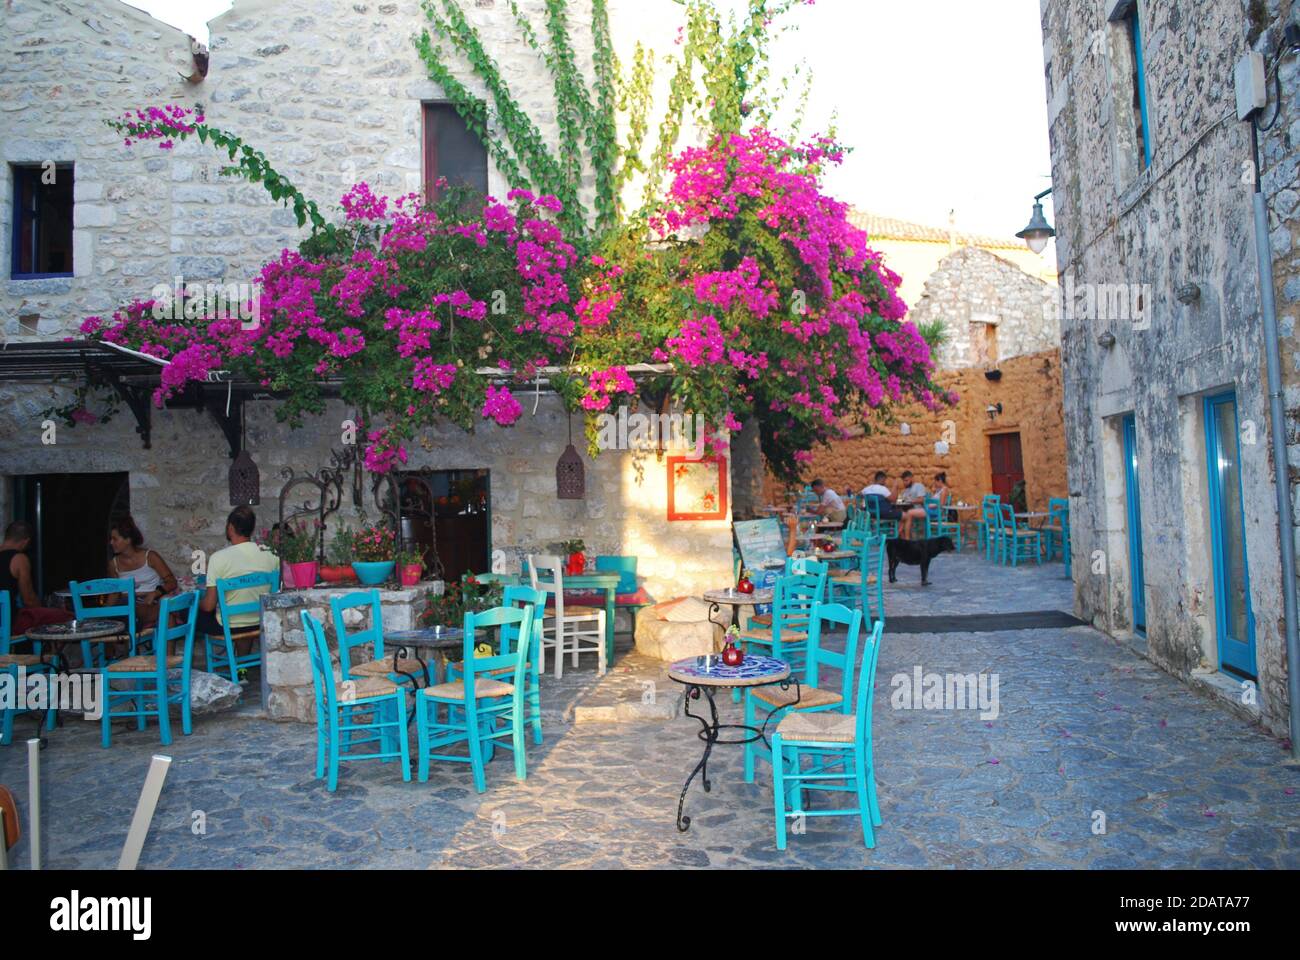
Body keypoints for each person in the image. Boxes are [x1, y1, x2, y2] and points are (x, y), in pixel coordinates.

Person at [197, 507, 279, 659]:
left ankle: (179, 668)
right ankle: (241, 671)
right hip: (259, 620)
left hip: (229, 625)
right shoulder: (271, 554)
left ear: (230, 527)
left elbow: (208, 605)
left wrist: (195, 602)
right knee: (240, 616)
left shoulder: (218, 558)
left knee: (187, 613)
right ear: (251, 529)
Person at [0, 520, 73, 635]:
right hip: (9, 622)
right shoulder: (19, 559)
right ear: (26, 542)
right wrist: (43, 609)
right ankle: (52, 652)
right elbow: (28, 600)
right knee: (66, 616)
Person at [108, 515, 178, 631]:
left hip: (148, 602)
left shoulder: (150, 556)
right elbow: (114, 593)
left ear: (128, 540)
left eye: (115, 539)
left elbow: (171, 582)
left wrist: (155, 593)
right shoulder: (113, 564)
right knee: (120, 610)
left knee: (133, 609)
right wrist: (106, 610)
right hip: (125, 604)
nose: (111, 542)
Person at [898, 471, 929, 539]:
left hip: (919, 509)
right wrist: (900, 500)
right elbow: (902, 500)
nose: (905, 482)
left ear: (912, 478)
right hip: (909, 509)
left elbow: (921, 500)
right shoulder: (906, 490)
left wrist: (911, 501)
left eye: (906, 480)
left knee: (907, 513)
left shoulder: (918, 486)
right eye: (903, 481)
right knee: (899, 513)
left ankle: (907, 539)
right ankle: (903, 539)